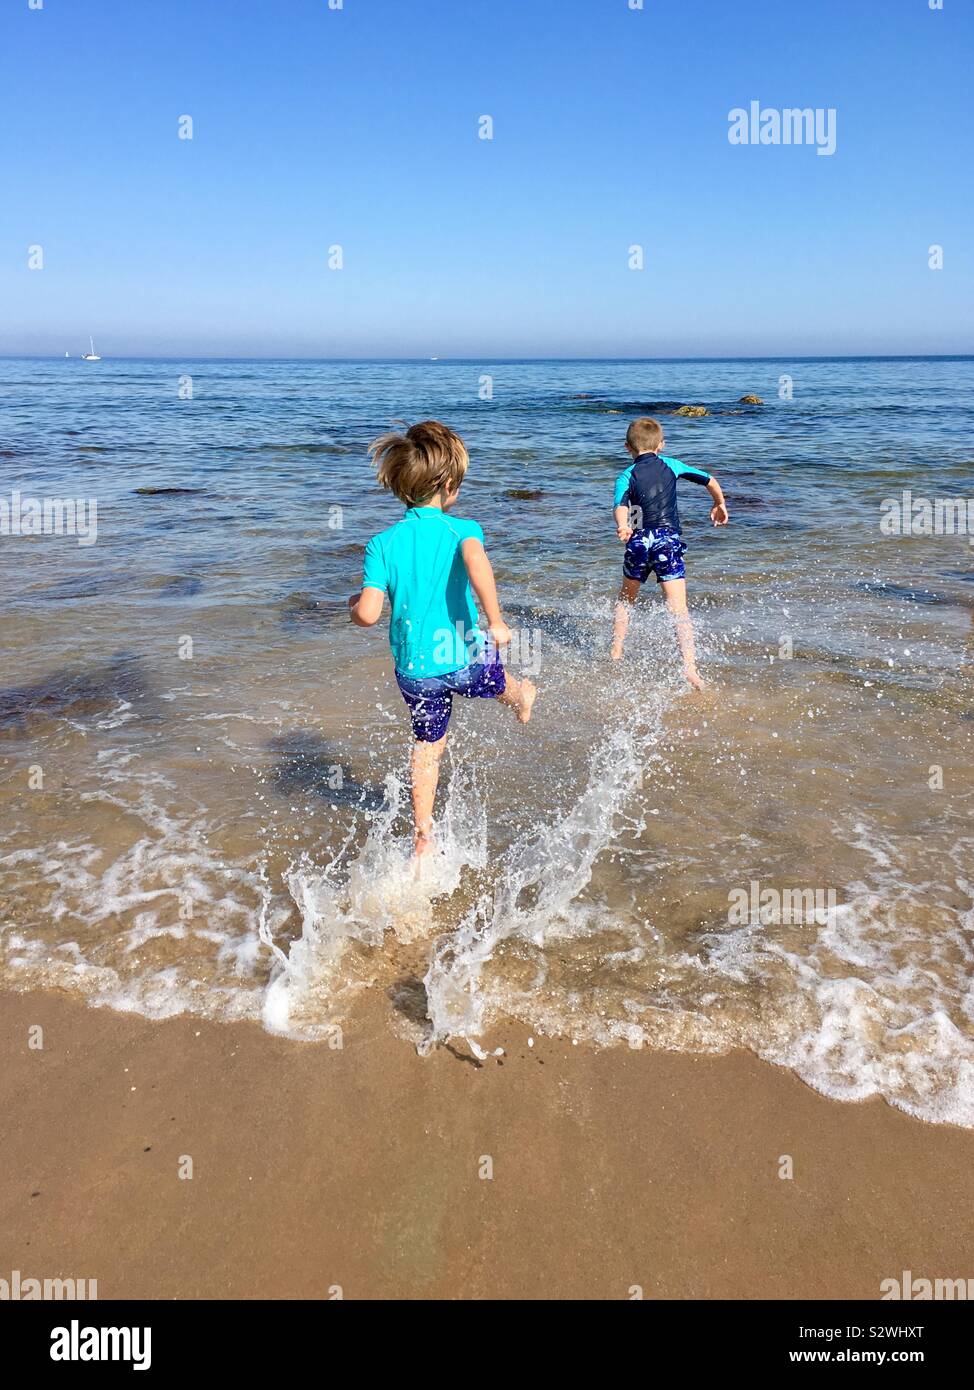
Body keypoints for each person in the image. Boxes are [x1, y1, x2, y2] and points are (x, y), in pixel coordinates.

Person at [349, 421, 537, 856]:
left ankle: (423, 835)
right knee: (497, 683)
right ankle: (522, 699)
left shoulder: (381, 544)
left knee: (428, 747)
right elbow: (477, 563)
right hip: (466, 658)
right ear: (449, 485)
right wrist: (497, 620)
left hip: (416, 672)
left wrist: (352, 604)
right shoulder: (462, 530)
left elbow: (368, 613)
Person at [611, 416, 728, 686]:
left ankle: (616, 651)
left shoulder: (626, 475)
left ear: (627, 447)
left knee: (626, 599)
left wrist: (623, 526)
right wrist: (719, 503)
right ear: (661, 444)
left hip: (639, 540)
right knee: (679, 609)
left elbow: (620, 505)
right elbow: (709, 479)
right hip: (667, 541)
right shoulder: (672, 465)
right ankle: (689, 666)